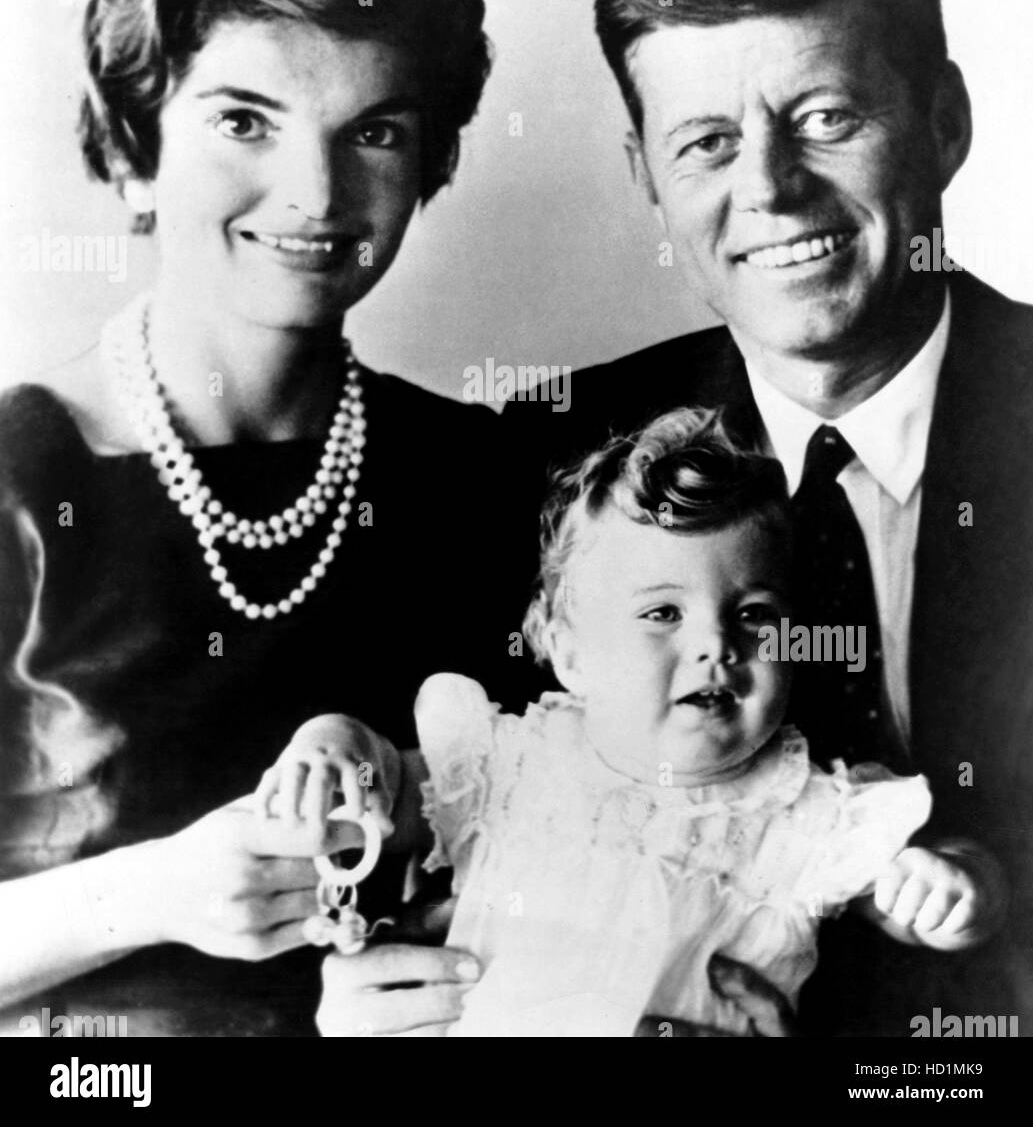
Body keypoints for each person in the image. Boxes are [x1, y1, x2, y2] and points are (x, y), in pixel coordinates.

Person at [0, 0, 519, 1036]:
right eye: (245, 118)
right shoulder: (22, 484)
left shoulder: (477, 475)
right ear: (135, 146)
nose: (317, 191)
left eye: (376, 131)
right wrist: (157, 892)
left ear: (431, 162)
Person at [503, 0, 1033, 1033]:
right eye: (703, 143)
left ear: (944, 123)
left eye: (826, 119)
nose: (772, 191)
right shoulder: (548, 455)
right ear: (644, 174)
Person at [268, 409, 1004, 1037]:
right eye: (661, 614)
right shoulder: (509, 766)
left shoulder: (801, 812)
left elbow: (913, 891)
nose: (717, 645)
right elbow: (378, 792)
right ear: (568, 651)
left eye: (753, 616)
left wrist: (952, 889)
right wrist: (332, 743)